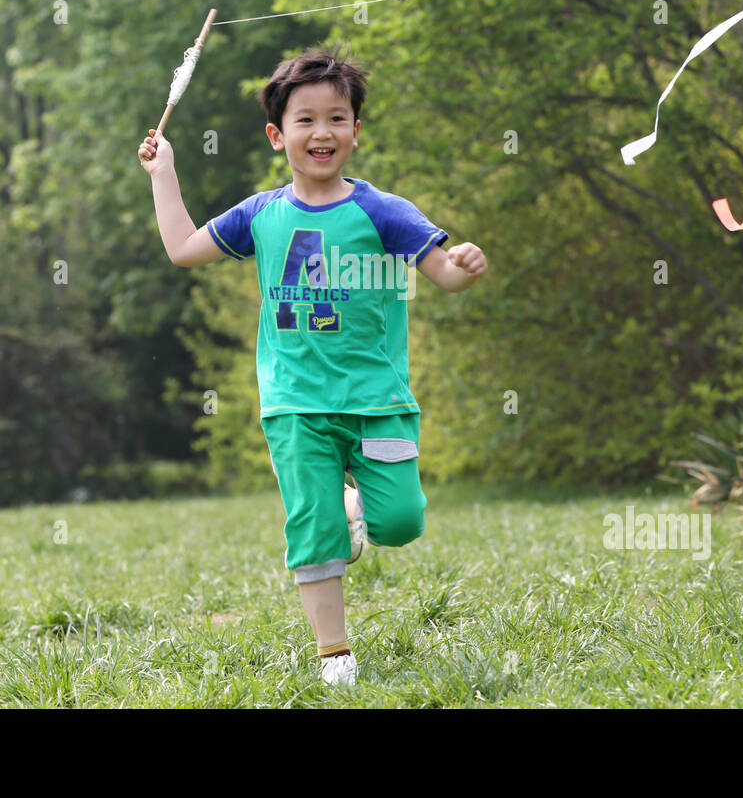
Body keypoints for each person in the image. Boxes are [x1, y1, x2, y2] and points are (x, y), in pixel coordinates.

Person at [139, 45, 487, 686]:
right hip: (294, 401)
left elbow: (441, 272)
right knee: (312, 522)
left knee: (400, 522)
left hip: (377, 397)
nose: (321, 132)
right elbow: (185, 250)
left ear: (356, 130)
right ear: (278, 135)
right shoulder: (260, 215)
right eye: (305, 120)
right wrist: (166, 174)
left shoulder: (382, 210)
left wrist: (460, 265)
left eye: (336, 118)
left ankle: (357, 507)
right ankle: (335, 655)